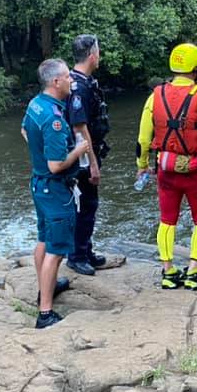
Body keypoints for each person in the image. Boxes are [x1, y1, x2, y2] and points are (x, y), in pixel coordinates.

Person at [136, 43, 197, 290]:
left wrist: (142, 165)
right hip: (196, 171)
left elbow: (143, 140)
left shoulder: (154, 96)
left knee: (167, 220)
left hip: (165, 170)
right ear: (195, 68)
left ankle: (168, 271)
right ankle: (194, 270)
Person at [22, 58, 89, 329]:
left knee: (43, 238)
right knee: (56, 250)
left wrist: (40, 152)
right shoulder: (54, 119)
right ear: (56, 82)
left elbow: (25, 130)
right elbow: (56, 164)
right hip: (55, 188)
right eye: (67, 78)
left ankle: (45, 288)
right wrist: (79, 150)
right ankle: (45, 313)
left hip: (39, 184)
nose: (72, 81)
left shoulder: (35, 104)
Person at [66, 34, 110, 276]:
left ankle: (85, 249)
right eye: (99, 51)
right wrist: (92, 163)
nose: (100, 55)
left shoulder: (80, 81)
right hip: (81, 157)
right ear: (92, 55)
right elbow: (80, 128)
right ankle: (77, 255)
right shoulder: (78, 86)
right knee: (85, 204)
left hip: (84, 152)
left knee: (87, 205)